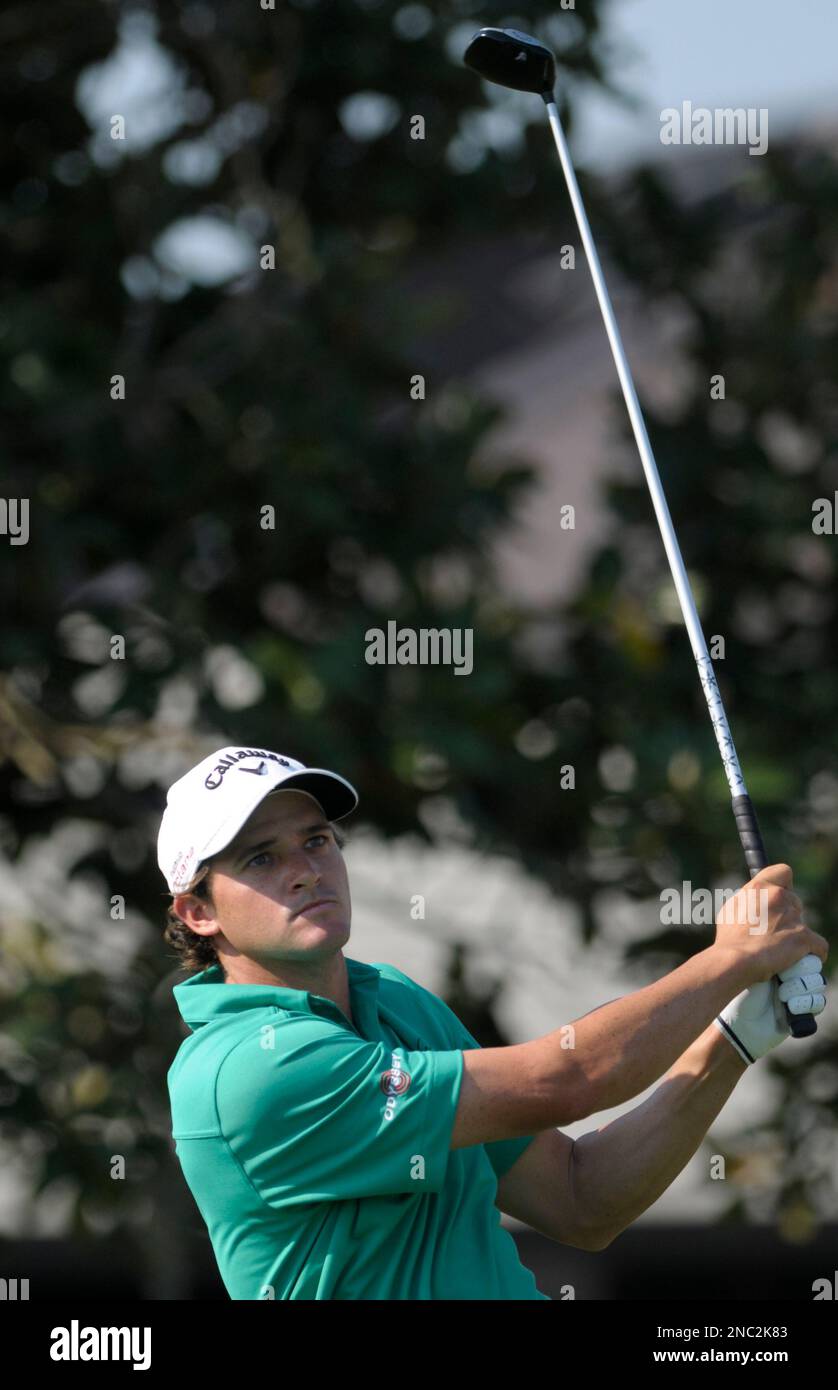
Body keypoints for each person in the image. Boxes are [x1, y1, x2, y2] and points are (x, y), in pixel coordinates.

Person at [158, 744, 828, 1301]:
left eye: (317, 841)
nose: (306, 871)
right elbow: (568, 1078)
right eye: (262, 858)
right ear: (197, 913)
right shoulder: (249, 1069)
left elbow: (579, 1199)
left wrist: (731, 1040)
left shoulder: (392, 998)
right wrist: (730, 961)